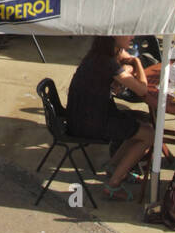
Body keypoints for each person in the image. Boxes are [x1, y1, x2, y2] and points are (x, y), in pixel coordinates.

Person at [65, 37, 156, 201]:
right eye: (126, 33)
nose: (132, 36)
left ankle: (114, 167)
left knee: (141, 125)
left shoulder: (98, 55)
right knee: (149, 134)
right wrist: (136, 62)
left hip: (80, 116)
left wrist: (126, 67)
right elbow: (142, 89)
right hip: (90, 122)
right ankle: (113, 184)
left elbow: (123, 58)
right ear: (113, 37)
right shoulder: (107, 62)